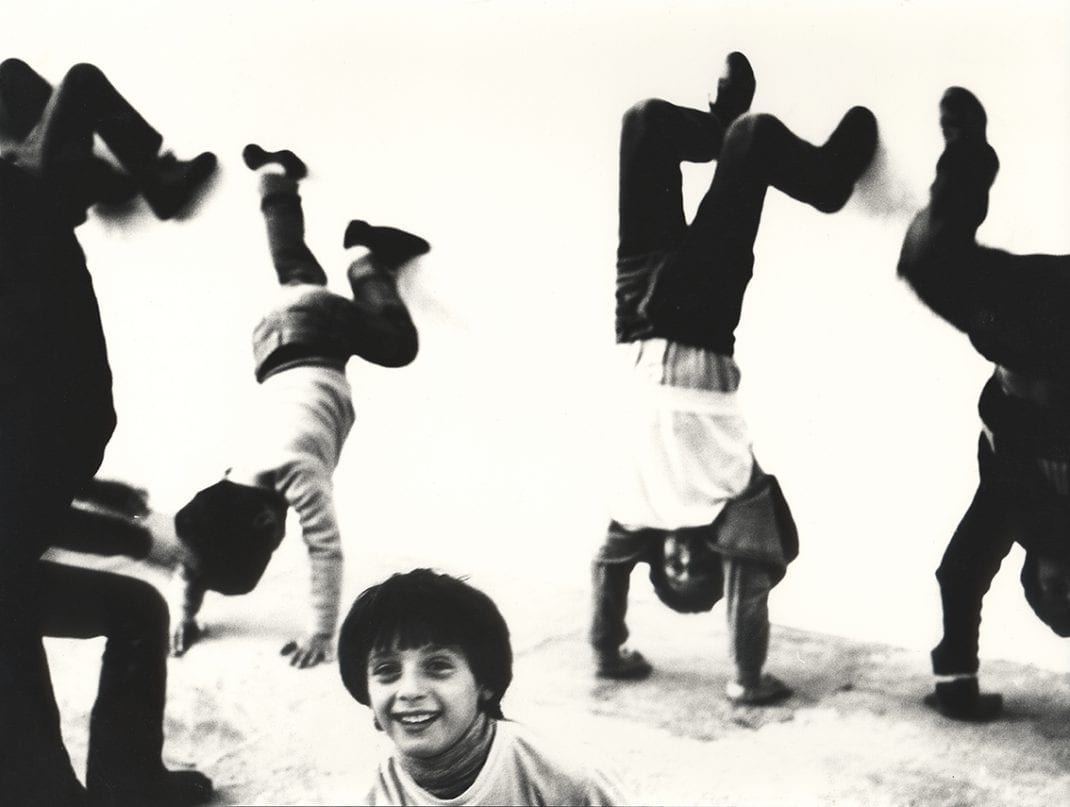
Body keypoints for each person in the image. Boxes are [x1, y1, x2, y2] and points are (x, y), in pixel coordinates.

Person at [591, 51, 878, 704]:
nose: (686, 563)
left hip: (631, 309)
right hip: (699, 315)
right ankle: (825, 180)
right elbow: (748, 597)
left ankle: (719, 120)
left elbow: (606, 574)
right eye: (701, 573)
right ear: (720, 558)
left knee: (645, 123)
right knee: (755, 143)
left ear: (656, 561)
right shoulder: (734, 501)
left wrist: (607, 651)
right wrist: (747, 680)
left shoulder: (635, 511)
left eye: (674, 572)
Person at [0, 81, 215, 802]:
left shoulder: (31, 214)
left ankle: (128, 777)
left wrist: (105, 497)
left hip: (46, 456)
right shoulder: (22, 192)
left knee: (136, 611)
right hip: (43, 455)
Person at [169, 145, 428, 669]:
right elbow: (192, 557)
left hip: (318, 339)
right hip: (272, 338)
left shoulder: (298, 474)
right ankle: (274, 175)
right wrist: (184, 614)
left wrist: (320, 633)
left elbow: (325, 551)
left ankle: (367, 260)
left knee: (398, 347)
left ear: (268, 526)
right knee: (295, 272)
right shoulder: (232, 476)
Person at [897, 86, 1070, 722]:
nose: (1067, 585)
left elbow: (959, 574)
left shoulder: (1015, 513)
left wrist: (956, 682)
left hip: (1020, 331)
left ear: (1032, 581)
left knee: (923, 260)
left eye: (1058, 594)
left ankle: (967, 153)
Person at [338, 569, 629, 805]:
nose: (410, 690)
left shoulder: (565, 779)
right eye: (387, 670)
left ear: (485, 682)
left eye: (438, 666)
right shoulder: (373, 795)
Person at [0, 58, 217, 225]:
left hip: (61, 174)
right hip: (37, 193)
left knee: (14, 71)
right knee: (81, 77)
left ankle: (103, 178)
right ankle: (154, 185)